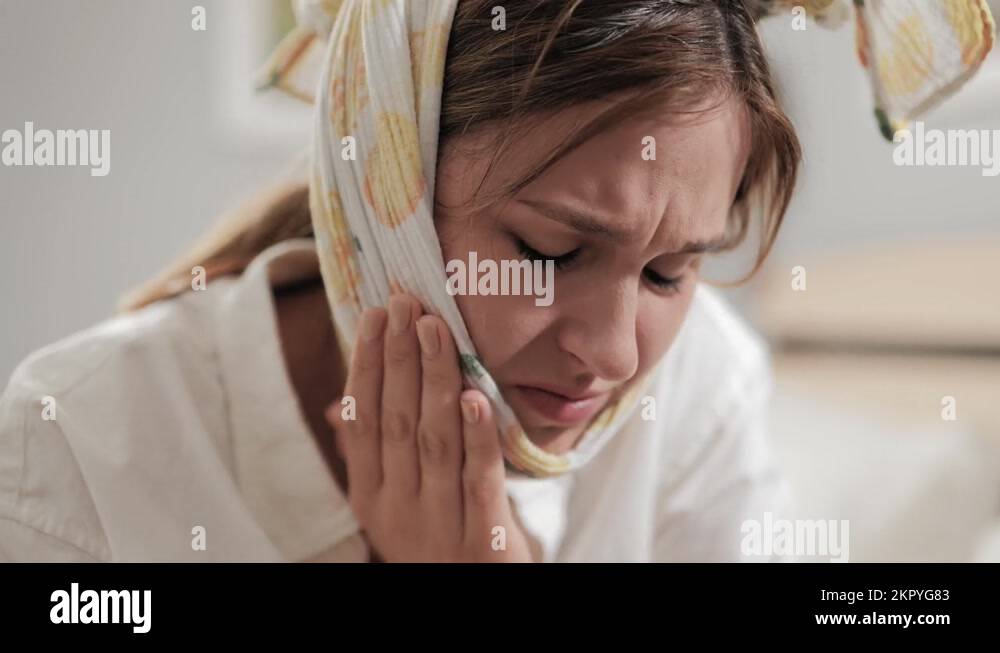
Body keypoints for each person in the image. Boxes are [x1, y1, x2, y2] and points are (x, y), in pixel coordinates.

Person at [0, 0, 800, 562]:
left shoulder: (702, 390)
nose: (617, 355)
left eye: (668, 272)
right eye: (549, 252)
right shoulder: (79, 442)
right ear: (388, 194)